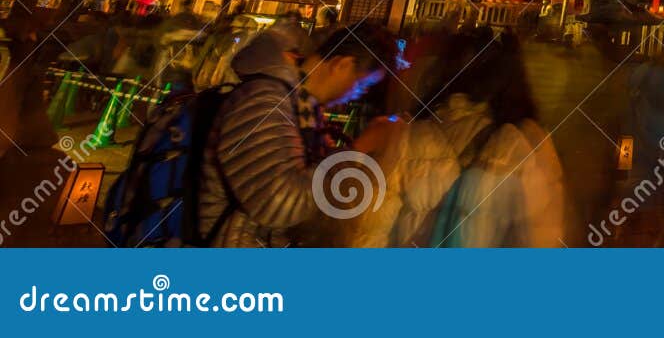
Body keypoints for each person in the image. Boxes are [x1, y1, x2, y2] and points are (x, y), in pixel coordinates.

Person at [346, 29, 564, 247]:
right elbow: (541, 235)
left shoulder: (408, 136)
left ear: (445, 73)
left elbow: (370, 229)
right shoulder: (529, 144)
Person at [196, 20, 399, 246]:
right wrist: (359, 149)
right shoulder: (265, 101)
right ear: (342, 64)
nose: (357, 95)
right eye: (361, 85)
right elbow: (279, 205)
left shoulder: (303, 107)